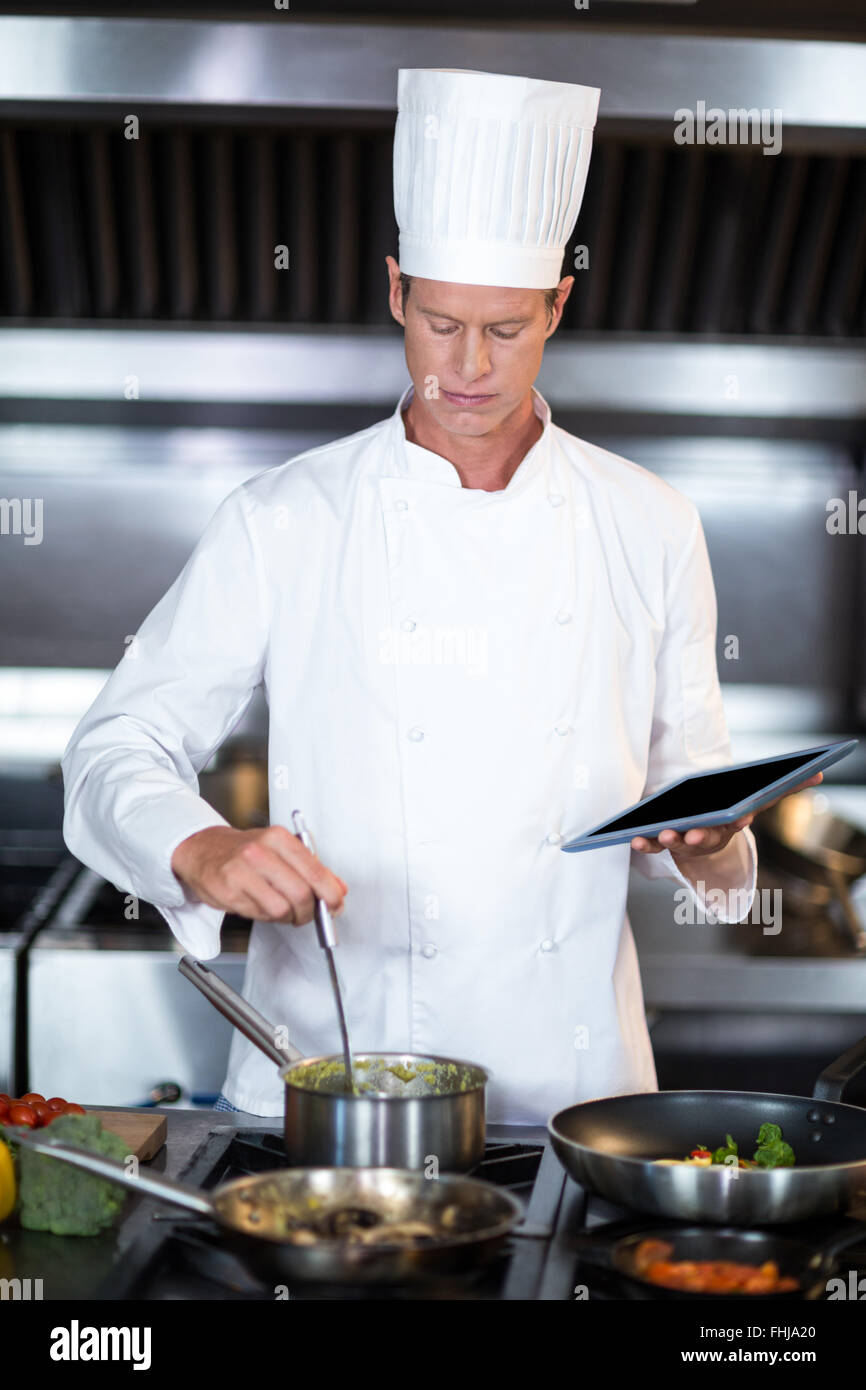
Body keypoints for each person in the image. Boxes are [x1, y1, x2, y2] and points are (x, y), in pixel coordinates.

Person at [61, 69, 817, 1124]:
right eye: (439, 323)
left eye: (504, 330)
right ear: (393, 292)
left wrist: (707, 839)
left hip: (574, 1101)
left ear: (559, 302)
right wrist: (200, 847)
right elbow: (113, 745)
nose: (465, 368)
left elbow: (710, 831)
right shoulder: (286, 516)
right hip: (333, 1087)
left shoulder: (649, 523)